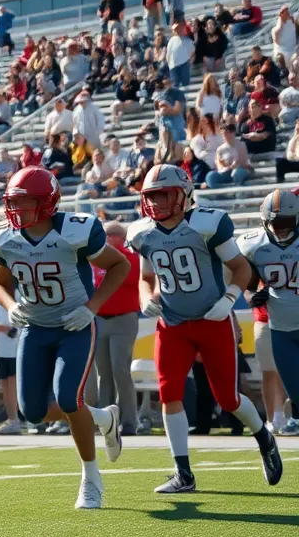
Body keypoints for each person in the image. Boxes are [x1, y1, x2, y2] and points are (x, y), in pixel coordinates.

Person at [127, 165, 282, 493]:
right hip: (172, 323)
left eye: (164, 195)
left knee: (228, 399)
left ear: (184, 195)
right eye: (151, 196)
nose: (156, 202)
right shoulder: (142, 232)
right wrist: (145, 297)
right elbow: (146, 278)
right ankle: (183, 473)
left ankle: (264, 438)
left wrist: (229, 298)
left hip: (212, 320)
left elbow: (240, 268)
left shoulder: (207, 224)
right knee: (169, 393)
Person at [0, 167, 128, 509]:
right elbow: (0, 283)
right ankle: (103, 418)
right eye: (13, 202)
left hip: (74, 326)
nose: (17, 210)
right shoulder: (4, 237)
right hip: (34, 328)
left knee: (68, 399)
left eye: (25, 203)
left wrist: (92, 308)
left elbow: (119, 265)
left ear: (48, 203)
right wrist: (10, 305)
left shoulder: (75, 231)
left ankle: (91, 478)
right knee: (32, 411)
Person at [239, 190, 299, 435]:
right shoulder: (254, 245)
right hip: (279, 325)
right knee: (291, 381)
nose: (280, 228)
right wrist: (253, 297)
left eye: (285, 222)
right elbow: (247, 285)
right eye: (274, 223)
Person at [84, 223, 140, 436]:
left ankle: (129, 421)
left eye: (110, 235)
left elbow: (125, 279)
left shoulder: (131, 258)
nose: (108, 239)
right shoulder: (95, 259)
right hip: (100, 319)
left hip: (123, 318)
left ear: (120, 237)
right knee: (103, 373)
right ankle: (105, 420)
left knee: (120, 369)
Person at [0, 300, 23, 434]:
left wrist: (4, 329)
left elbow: (17, 331)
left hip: (14, 353)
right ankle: (12, 420)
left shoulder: (17, 302)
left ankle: (19, 420)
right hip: (1, 352)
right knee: (5, 389)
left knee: (13, 388)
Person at [166, 22, 194, 88]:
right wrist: (169, 64)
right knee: (175, 84)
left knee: (185, 83)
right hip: (173, 66)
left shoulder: (188, 41)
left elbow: (192, 53)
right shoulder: (171, 40)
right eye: (176, 29)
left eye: (179, 29)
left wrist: (190, 62)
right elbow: (168, 53)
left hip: (184, 64)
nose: (177, 31)